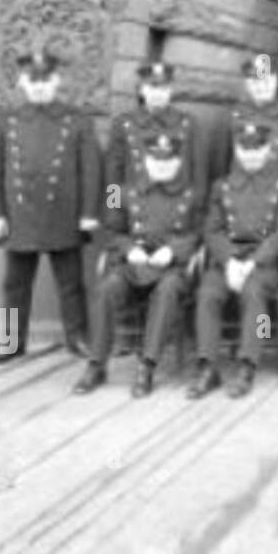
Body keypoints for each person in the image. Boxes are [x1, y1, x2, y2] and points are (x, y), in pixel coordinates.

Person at [0, 49, 102, 363]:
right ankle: (11, 342)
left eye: (45, 80)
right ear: (22, 81)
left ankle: (77, 337)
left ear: (57, 80)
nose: (39, 86)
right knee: (14, 285)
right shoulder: (7, 120)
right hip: (20, 215)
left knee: (71, 284)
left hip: (64, 215)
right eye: (33, 80)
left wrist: (89, 213)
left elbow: (91, 170)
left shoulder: (77, 119)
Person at [75, 132, 201, 397]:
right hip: (135, 265)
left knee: (167, 291)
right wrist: (130, 249)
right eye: (156, 160)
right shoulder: (119, 192)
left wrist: (173, 250)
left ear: (178, 162)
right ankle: (96, 363)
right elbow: (111, 231)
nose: (162, 166)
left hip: (172, 268)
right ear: (145, 160)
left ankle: (148, 365)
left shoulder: (193, 193)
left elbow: (199, 233)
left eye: (169, 161)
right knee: (107, 287)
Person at [192, 121, 278, 399]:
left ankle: (249, 364)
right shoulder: (221, 187)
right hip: (227, 259)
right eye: (245, 149)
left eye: (258, 149)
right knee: (208, 294)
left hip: (263, 262)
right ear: (236, 150)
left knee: (255, 296)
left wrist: (253, 262)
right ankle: (207, 366)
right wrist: (231, 260)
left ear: (269, 150)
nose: (251, 155)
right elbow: (212, 230)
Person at [106, 59, 199, 195]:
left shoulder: (188, 123)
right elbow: (113, 174)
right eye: (152, 87)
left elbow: (198, 173)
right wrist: (113, 210)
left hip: (177, 209)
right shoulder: (123, 123)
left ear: (171, 91)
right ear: (141, 90)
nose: (158, 94)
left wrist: (196, 210)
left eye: (164, 88)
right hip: (134, 209)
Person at [223, 54, 278, 183]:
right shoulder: (234, 116)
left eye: (266, 81)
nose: (261, 87)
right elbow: (224, 166)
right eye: (254, 82)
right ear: (246, 84)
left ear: (277, 82)